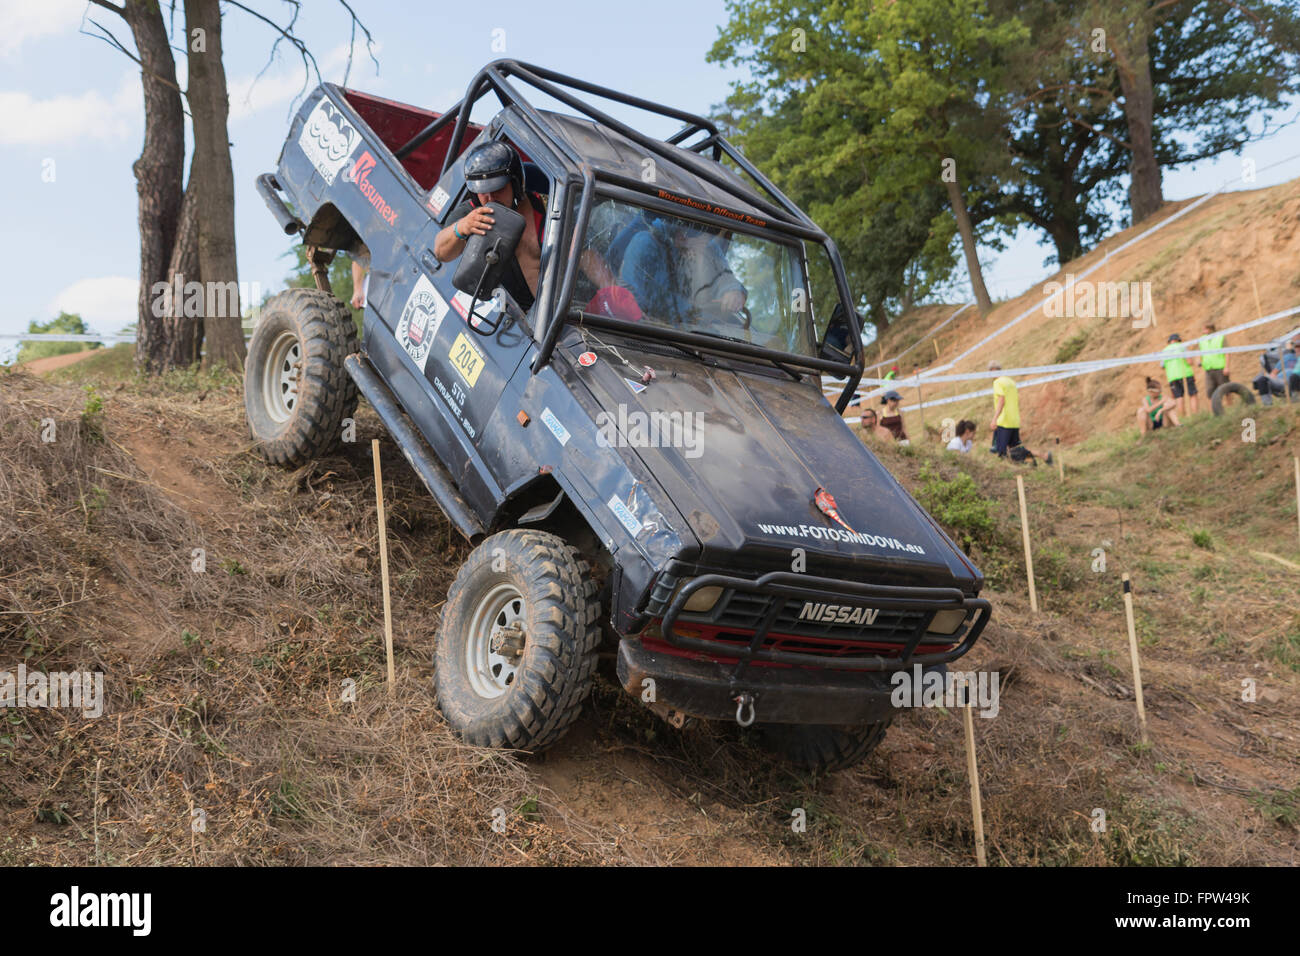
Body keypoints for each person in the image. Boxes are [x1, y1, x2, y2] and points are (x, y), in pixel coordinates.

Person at [434, 141, 546, 311]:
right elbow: (440, 251)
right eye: (482, 191)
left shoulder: (544, 205)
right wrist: (461, 228)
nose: (490, 197)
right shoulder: (472, 215)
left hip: (562, 316)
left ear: (515, 184)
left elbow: (585, 255)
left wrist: (603, 288)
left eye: (498, 189)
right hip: (517, 323)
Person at [988, 361, 1051, 463]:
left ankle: (1030, 461)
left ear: (992, 371)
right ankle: (1042, 457)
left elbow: (1001, 400)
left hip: (1004, 422)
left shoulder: (997, 382)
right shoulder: (1010, 381)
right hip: (1014, 421)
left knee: (1001, 452)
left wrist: (994, 419)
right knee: (1016, 449)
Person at [1252, 337, 1300, 404]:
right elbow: (1273, 373)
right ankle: (1268, 407)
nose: (1298, 349)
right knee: (1262, 380)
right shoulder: (1288, 357)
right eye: (1296, 346)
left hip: (1295, 381)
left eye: (1299, 346)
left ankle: (1295, 403)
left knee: (1294, 378)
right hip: (1281, 381)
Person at [1161, 333, 1198, 416]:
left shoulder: (1164, 351)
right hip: (1185, 374)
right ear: (1178, 340)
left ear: (1169, 341)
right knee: (1192, 395)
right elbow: (1189, 361)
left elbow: (1162, 366)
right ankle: (1196, 415)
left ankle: (1182, 416)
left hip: (1172, 377)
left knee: (1179, 397)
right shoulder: (1182, 347)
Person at [1196, 322, 1229, 398]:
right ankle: (1214, 409)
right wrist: (1198, 361)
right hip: (1208, 369)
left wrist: (1226, 367)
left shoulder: (1220, 337)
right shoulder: (1202, 340)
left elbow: (1227, 352)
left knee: (1226, 390)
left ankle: (1230, 408)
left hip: (1220, 368)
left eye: (1204, 329)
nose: (1203, 331)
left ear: (1210, 329)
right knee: (1210, 392)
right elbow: (1198, 352)